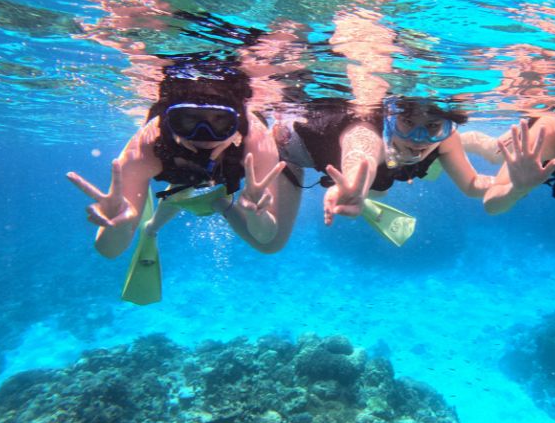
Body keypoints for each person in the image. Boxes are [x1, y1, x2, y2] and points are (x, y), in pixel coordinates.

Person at [67, 55, 301, 304]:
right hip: (179, 168)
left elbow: (266, 236)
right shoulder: (147, 147)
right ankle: (153, 227)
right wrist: (118, 225)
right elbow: (109, 251)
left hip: (239, 166)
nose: (204, 135)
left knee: (271, 245)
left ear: (238, 123)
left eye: (220, 121)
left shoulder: (257, 142)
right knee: (185, 176)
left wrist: (257, 214)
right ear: (169, 120)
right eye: (188, 120)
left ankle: (220, 202)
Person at [274, 97, 494, 244]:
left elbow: (472, 185)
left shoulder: (444, 139)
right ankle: (365, 192)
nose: (419, 138)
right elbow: (361, 152)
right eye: (408, 122)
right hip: (292, 155)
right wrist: (353, 184)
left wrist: (506, 183)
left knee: (381, 185)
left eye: (432, 126)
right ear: (390, 118)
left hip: (389, 167)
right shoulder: (366, 130)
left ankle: (472, 142)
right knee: (272, 242)